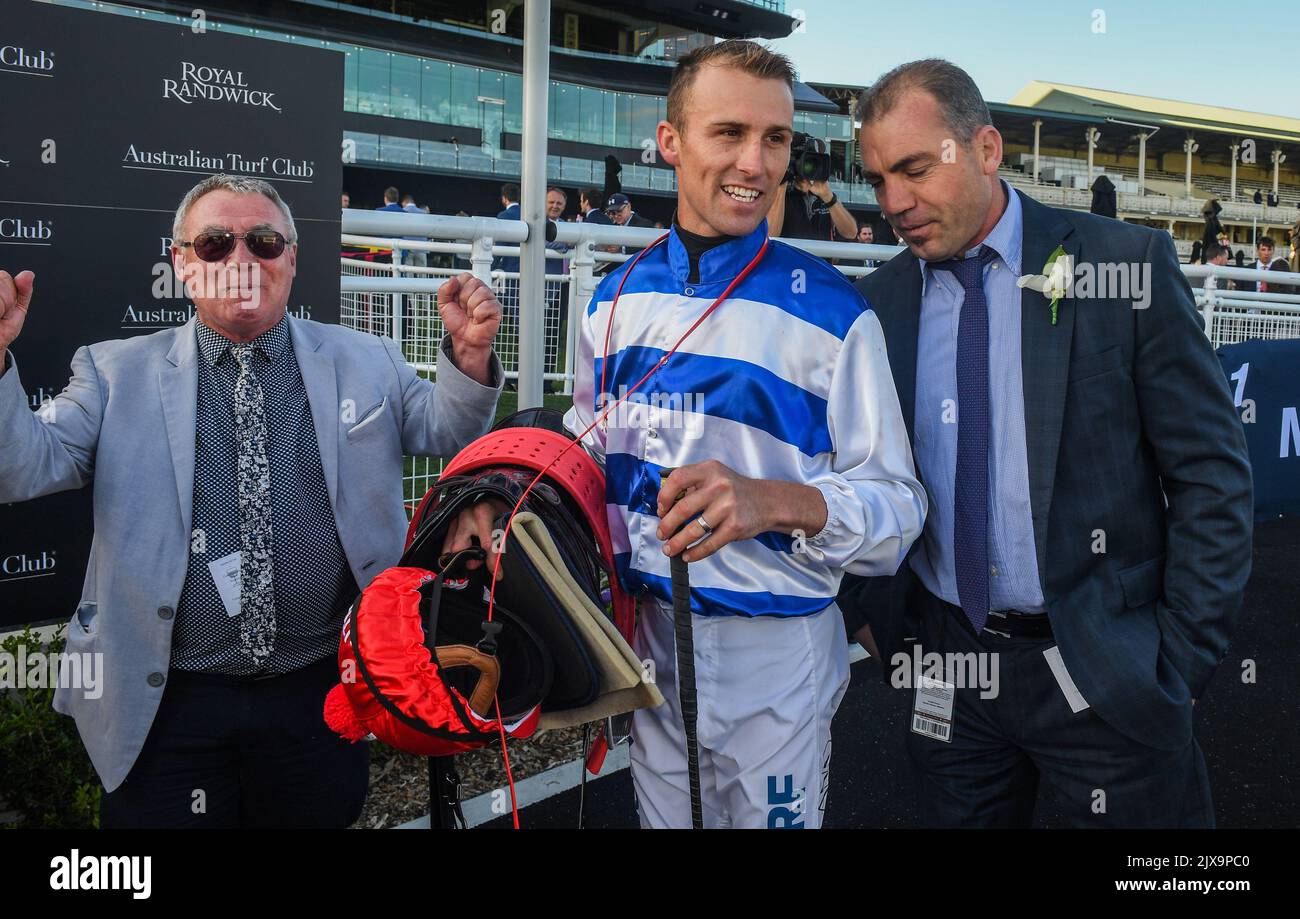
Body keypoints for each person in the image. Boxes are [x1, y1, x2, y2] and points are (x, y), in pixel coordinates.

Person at [443, 39, 925, 829]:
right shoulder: (613, 298)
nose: (756, 162)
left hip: (777, 653)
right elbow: (590, 456)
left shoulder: (836, 311)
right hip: (648, 645)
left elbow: (897, 509)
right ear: (671, 143)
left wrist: (774, 502)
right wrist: (502, 501)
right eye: (729, 133)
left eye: (775, 139)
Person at [0, 174, 504, 828]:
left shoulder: (367, 360)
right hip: (166, 704)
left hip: (321, 692)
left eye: (263, 241)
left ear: (291, 259)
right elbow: (23, 468)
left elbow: (447, 432)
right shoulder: (112, 372)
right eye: (215, 244)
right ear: (182, 264)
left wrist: (468, 356)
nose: (241, 260)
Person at [839, 59, 1253, 828]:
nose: (895, 202)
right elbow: (854, 469)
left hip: (1105, 666)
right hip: (948, 667)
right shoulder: (880, 303)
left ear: (987, 150)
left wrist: (1179, 659)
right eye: (878, 179)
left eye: (916, 169)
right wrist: (873, 612)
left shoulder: (1124, 267)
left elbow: (1212, 475)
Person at [767, 174, 857, 243]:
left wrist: (828, 196)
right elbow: (769, 236)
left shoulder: (823, 193)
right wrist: (782, 184)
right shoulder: (780, 195)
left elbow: (851, 233)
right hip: (792, 264)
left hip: (820, 263)